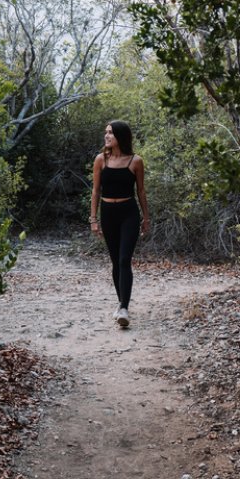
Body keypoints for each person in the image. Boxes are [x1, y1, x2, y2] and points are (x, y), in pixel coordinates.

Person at [89, 120, 150, 328]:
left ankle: (124, 307)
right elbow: (96, 191)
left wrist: (146, 217)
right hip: (108, 213)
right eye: (105, 132)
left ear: (121, 137)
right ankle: (121, 302)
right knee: (115, 261)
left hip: (128, 213)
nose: (106, 136)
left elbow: (141, 191)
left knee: (125, 260)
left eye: (111, 133)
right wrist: (93, 219)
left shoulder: (135, 161)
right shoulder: (100, 160)